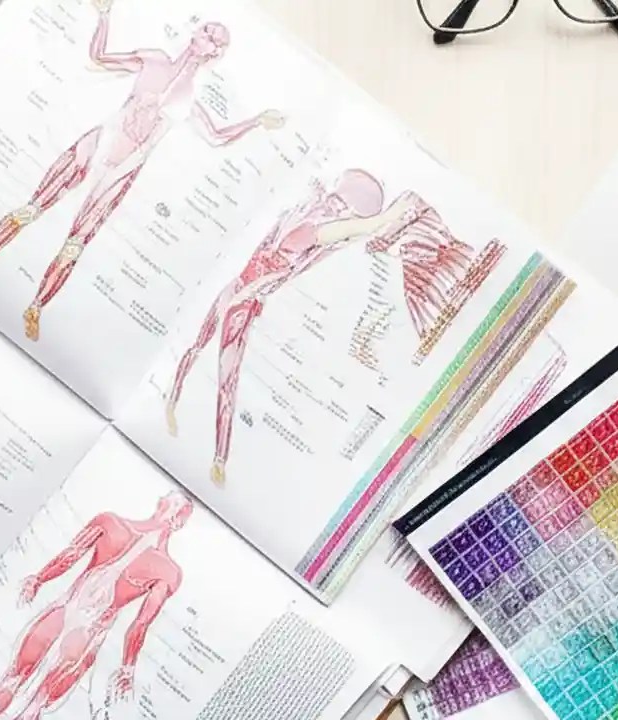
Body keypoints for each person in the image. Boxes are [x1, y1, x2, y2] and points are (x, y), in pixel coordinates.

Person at [0, 0, 284, 341]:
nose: (208, 35)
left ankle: (36, 307)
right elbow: (99, 58)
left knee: (76, 244)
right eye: (207, 29)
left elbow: (217, 137)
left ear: (216, 53)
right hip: (100, 141)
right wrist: (104, 16)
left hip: (125, 168)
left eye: (216, 38)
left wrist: (257, 122)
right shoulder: (154, 58)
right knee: (33, 207)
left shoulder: (189, 99)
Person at [165, 169, 482, 487]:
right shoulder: (314, 230)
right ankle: (216, 457)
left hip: (237, 292)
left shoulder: (303, 218)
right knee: (226, 381)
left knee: (204, 353)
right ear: (346, 206)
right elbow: (364, 227)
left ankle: (178, 409)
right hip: (241, 300)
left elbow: (350, 235)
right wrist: (400, 210)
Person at [0, 492, 194, 720]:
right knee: (38, 701)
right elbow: (139, 626)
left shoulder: (111, 523)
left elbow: (70, 555)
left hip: (65, 611)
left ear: (160, 503)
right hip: (88, 634)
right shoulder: (169, 572)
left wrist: (39, 579)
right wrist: (127, 668)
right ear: (181, 523)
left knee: (15, 676)